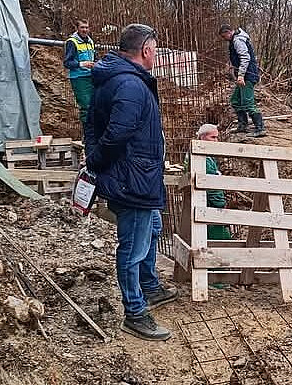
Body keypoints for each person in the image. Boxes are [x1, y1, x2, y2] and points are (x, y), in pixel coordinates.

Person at [84, 23, 177, 342]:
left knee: (151, 230)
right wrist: (97, 161)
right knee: (133, 248)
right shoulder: (130, 85)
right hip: (133, 179)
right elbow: (117, 132)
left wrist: (95, 157)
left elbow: (92, 124)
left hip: (137, 173)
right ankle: (134, 312)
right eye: (156, 51)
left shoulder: (116, 79)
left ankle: (149, 286)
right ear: (147, 50)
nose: (157, 56)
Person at [219, 23, 265, 137]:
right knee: (235, 100)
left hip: (248, 76)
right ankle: (242, 125)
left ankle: (260, 128)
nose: (224, 39)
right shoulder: (234, 40)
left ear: (228, 32)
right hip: (245, 76)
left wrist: (240, 75)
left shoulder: (238, 41)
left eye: (224, 37)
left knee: (248, 103)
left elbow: (245, 58)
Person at [196, 123, 232, 240]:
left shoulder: (207, 156)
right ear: (202, 137)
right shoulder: (202, 159)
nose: (216, 141)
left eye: (217, 137)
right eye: (213, 137)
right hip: (209, 209)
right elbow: (211, 187)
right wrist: (220, 203)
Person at [64, 19, 96, 128]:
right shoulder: (72, 42)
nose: (85, 30)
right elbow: (67, 62)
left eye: (86, 27)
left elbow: (93, 57)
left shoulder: (90, 41)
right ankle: (87, 135)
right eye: (82, 27)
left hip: (90, 76)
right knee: (86, 106)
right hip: (79, 78)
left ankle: (93, 132)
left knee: (94, 105)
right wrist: (82, 64)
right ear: (77, 28)